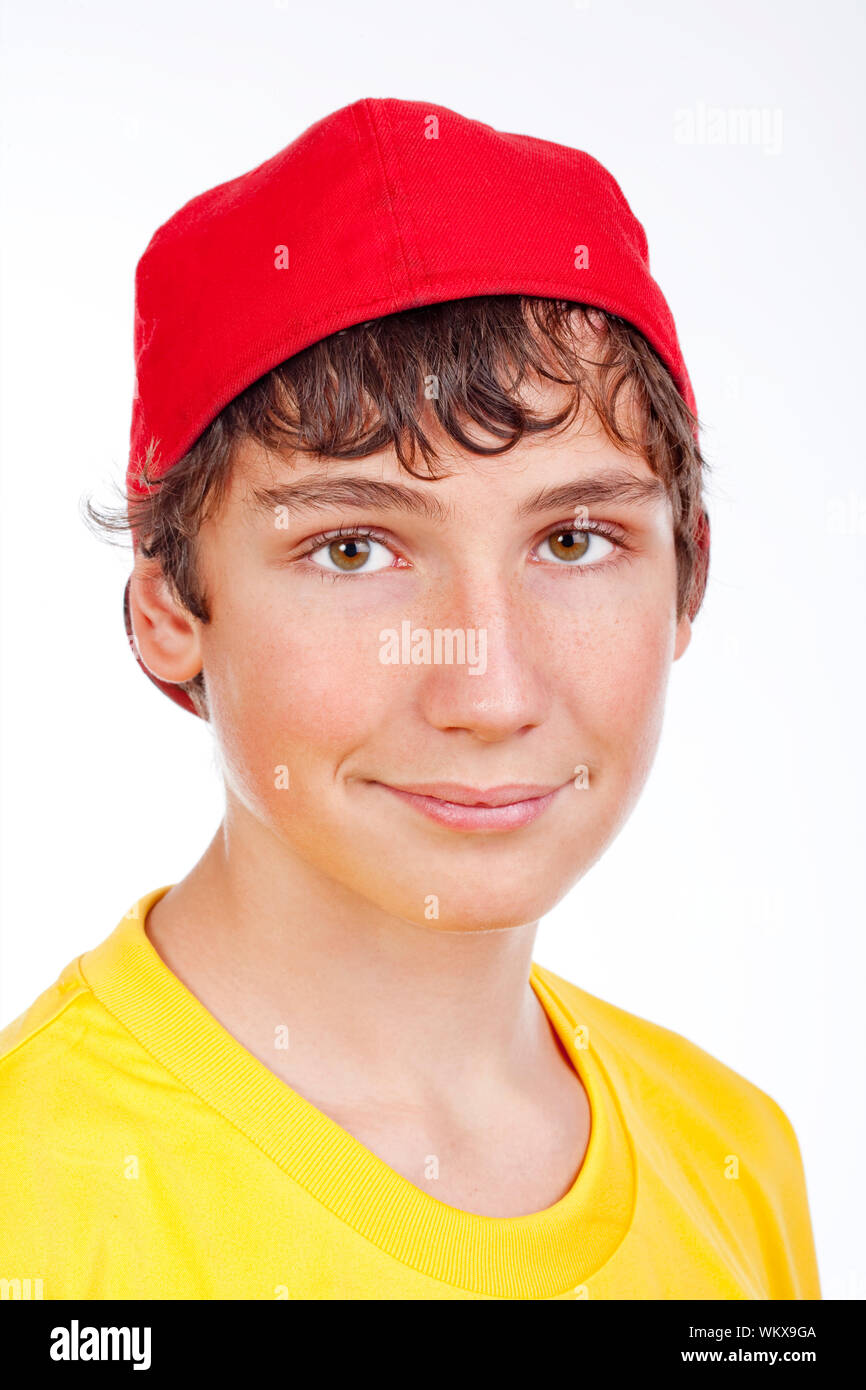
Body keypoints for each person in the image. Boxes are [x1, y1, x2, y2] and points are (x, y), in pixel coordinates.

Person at [0, 97, 820, 1300]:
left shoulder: (735, 1160)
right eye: (351, 549)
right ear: (170, 604)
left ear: (687, 575)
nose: (488, 688)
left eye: (576, 538)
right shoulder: (38, 1208)